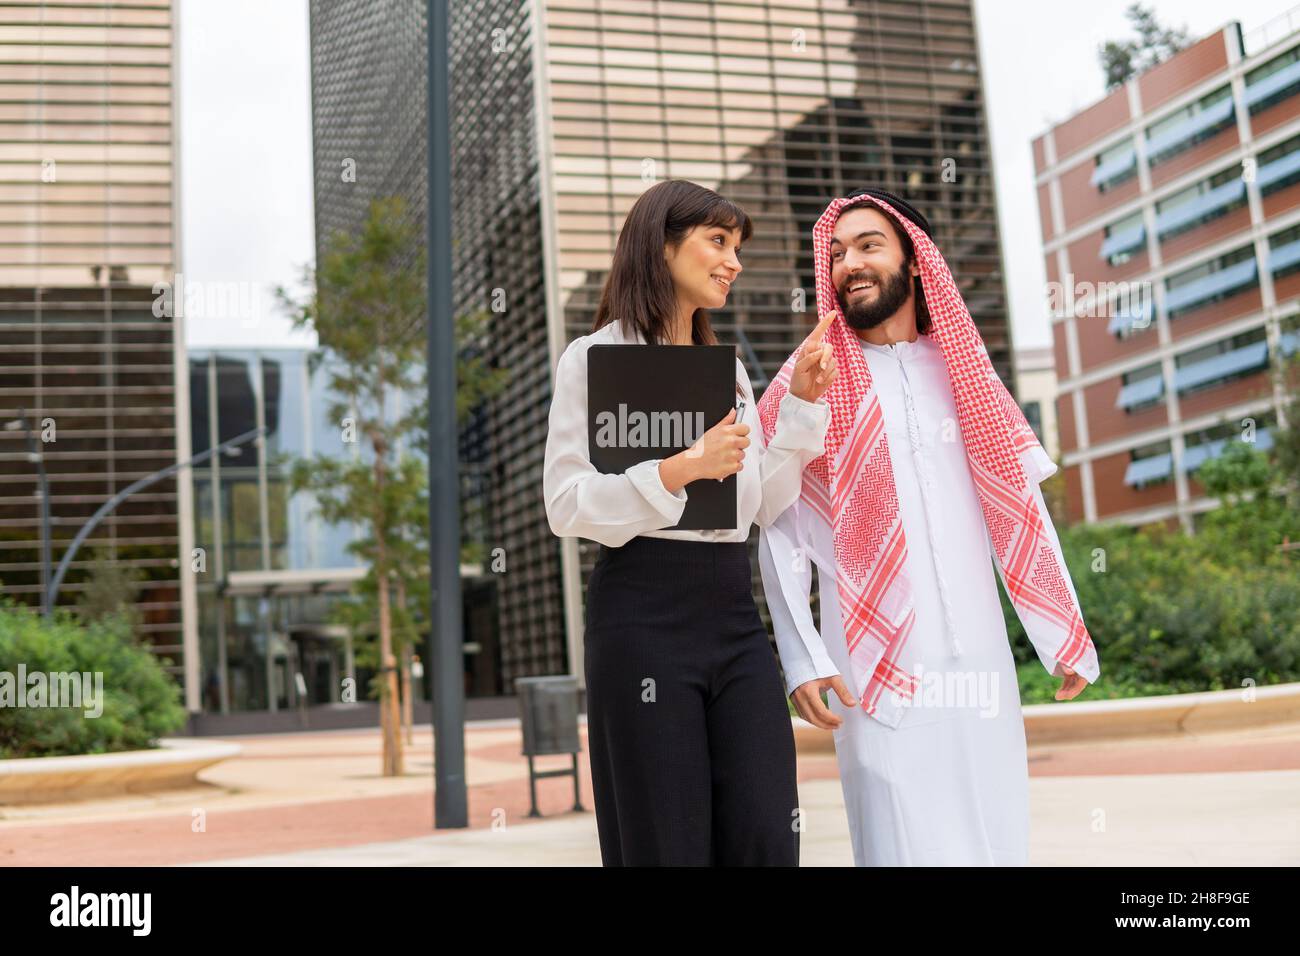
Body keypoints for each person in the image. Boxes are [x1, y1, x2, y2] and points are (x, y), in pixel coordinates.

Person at [755, 188, 1100, 867]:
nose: (847, 263)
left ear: (916, 263)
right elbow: (776, 525)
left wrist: (1064, 631)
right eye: (834, 254)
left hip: (978, 655)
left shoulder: (964, 374)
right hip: (873, 662)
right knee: (900, 842)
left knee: (995, 833)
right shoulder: (810, 381)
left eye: (867, 246)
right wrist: (803, 659)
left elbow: (1022, 508)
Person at [543, 179, 837, 866]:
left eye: (736, 247)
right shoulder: (593, 360)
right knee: (666, 838)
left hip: (732, 615)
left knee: (767, 827)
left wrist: (798, 407)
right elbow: (567, 503)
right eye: (718, 241)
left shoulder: (727, 371)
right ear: (662, 243)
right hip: (642, 616)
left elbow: (760, 503)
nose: (733, 261)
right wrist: (678, 470)